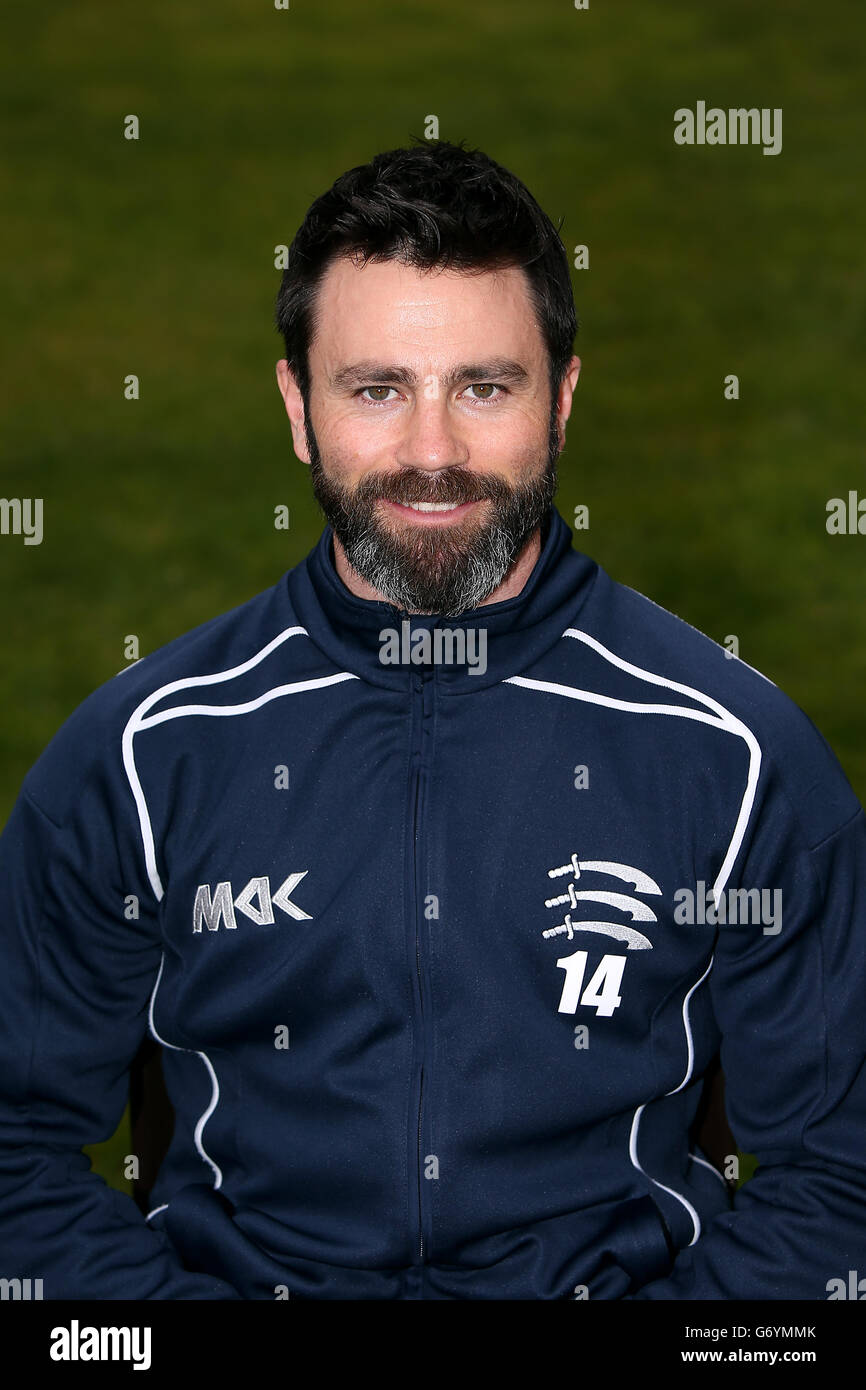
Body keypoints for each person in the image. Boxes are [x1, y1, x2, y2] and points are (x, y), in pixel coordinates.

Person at [1, 139, 864, 1301]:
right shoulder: (141, 756)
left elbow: (838, 1171)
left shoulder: (735, 754)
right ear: (297, 408)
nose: (431, 454)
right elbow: (16, 1151)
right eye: (376, 389)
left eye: (484, 387)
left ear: (560, 399)